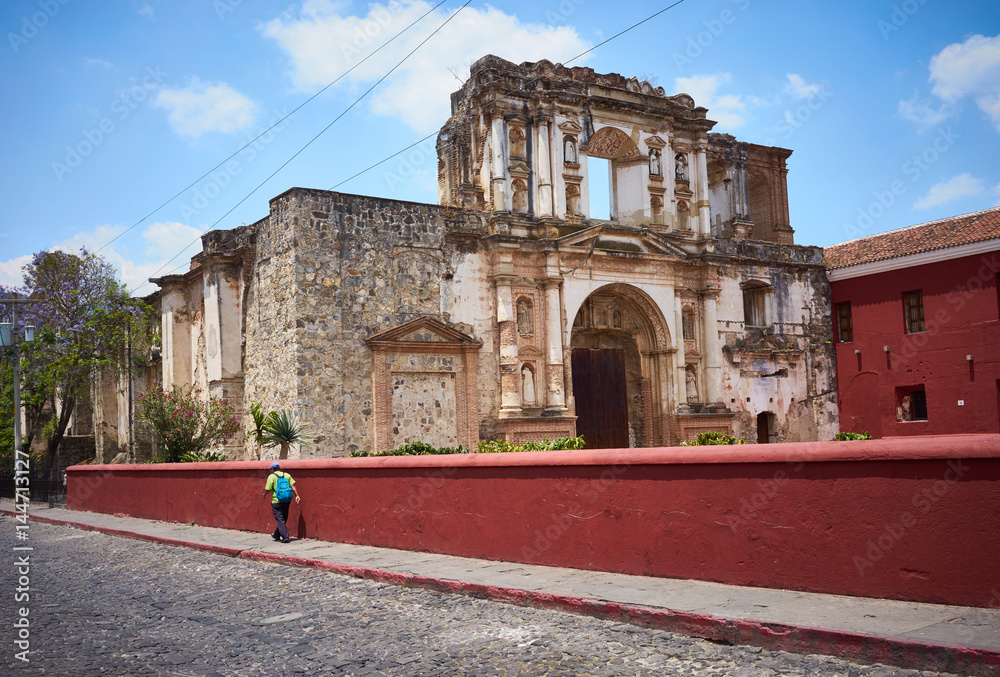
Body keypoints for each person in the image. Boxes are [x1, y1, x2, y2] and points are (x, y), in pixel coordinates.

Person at [262, 461, 300, 543]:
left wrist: (264, 494)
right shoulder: (287, 475)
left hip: (276, 500)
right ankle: (276, 535)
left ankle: (285, 536)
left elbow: (268, 489)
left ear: (272, 469)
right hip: (287, 499)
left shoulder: (271, 477)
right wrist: (297, 495)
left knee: (279, 518)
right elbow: (293, 485)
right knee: (284, 518)